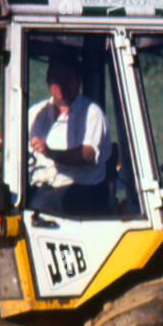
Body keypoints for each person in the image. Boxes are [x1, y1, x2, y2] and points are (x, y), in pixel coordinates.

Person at [27, 55, 111, 215]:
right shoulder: (37, 112)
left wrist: (50, 153)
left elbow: (88, 154)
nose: (61, 86)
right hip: (43, 186)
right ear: (48, 82)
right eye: (56, 80)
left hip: (82, 191)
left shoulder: (92, 113)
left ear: (78, 80)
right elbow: (13, 134)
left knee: (35, 207)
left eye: (67, 79)